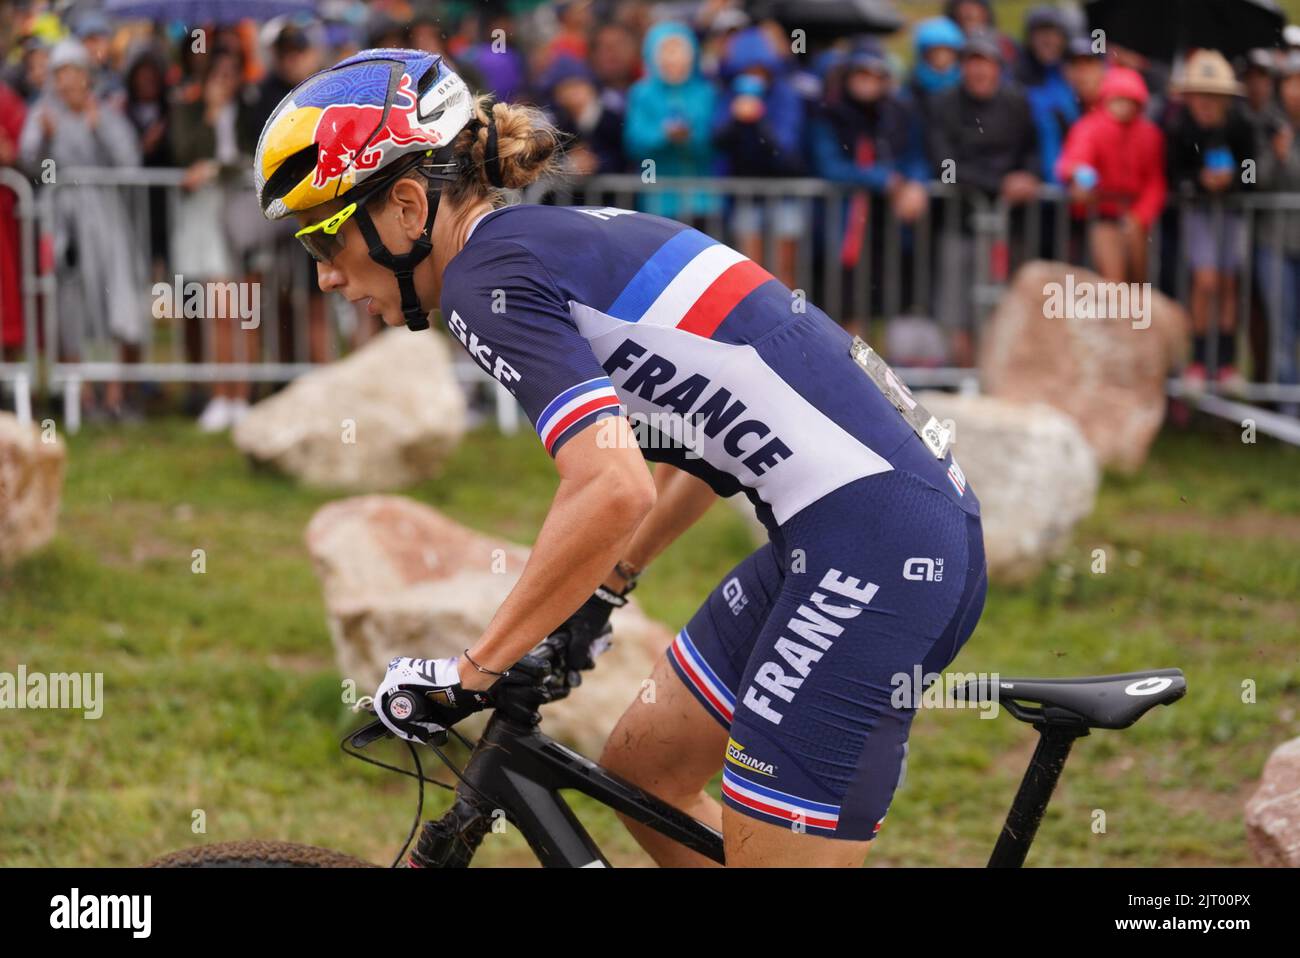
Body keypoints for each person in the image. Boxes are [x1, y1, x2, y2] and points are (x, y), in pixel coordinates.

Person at [254, 49, 987, 867]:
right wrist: (604, 590)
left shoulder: (482, 281)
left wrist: (473, 671)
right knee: (647, 771)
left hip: (876, 549)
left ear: (404, 205)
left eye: (323, 237)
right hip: (864, 531)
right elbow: (696, 451)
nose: (322, 276)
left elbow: (609, 487)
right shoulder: (534, 245)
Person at [18, 39, 144, 420]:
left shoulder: (104, 114)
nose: (67, 82)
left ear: (87, 76)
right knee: (70, 305)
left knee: (119, 300)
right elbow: (30, 166)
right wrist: (44, 139)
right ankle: (82, 398)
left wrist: (99, 128)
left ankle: (118, 396)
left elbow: (130, 164)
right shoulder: (42, 115)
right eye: (60, 74)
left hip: (106, 219)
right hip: (64, 222)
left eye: (74, 72)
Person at [1165, 49, 1255, 391]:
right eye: (1200, 96)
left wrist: (1231, 181)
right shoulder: (1180, 128)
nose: (1205, 104)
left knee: (1228, 282)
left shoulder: (1240, 127)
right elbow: (1173, 175)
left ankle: (1227, 362)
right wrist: (1198, 182)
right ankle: (1200, 359)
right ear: (1188, 97)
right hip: (1199, 212)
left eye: (1213, 97)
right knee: (1205, 281)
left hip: (1230, 212)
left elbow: (1252, 174)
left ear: (1225, 100)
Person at [1056, 67, 1166, 285]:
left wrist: (1139, 216)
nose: (1123, 107)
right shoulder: (1090, 127)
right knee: (1113, 283)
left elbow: (1155, 182)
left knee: (1139, 284)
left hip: (1136, 219)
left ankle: (1133, 316)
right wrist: (1079, 176)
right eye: (1118, 99)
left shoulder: (1150, 135)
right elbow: (1074, 160)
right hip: (1101, 216)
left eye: (1130, 101)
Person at [623, 22, 720, 226]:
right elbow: (635, 141)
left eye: (680, 51)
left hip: (702, 201)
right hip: (658, 201)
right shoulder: (642, 93)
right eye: (667, 51)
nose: (674, 59)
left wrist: (690, 137)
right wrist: (664, 136)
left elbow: (715, 139)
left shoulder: (705, 93)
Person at [1255, 51, 1300, 413]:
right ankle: (1288, 420)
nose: (1295, 91)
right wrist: (1277, 155)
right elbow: (1255, 180)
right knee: (1281, 335)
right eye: (1289, 82)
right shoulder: (1266, 126)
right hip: (1275, 243)